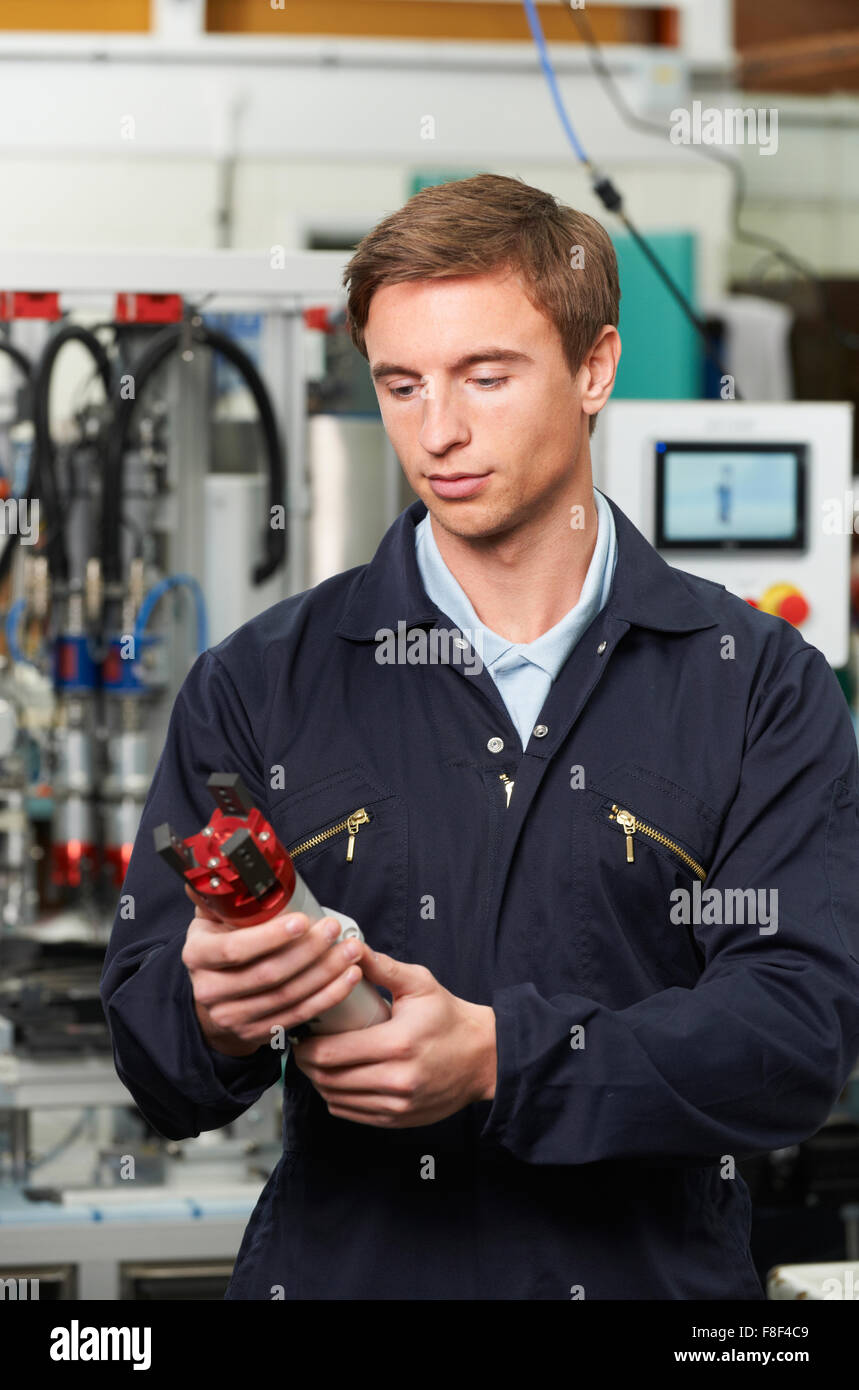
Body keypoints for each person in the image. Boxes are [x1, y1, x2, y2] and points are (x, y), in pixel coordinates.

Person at [101, 173, 859, 1300]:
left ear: (594, 367)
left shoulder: (759, 687)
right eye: (400, 385)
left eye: (484, 376)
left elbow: (794, 1039)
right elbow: (155, 1065)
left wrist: (505, 1062)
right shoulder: (263, 683)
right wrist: (210, 1012)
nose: (438, 431)